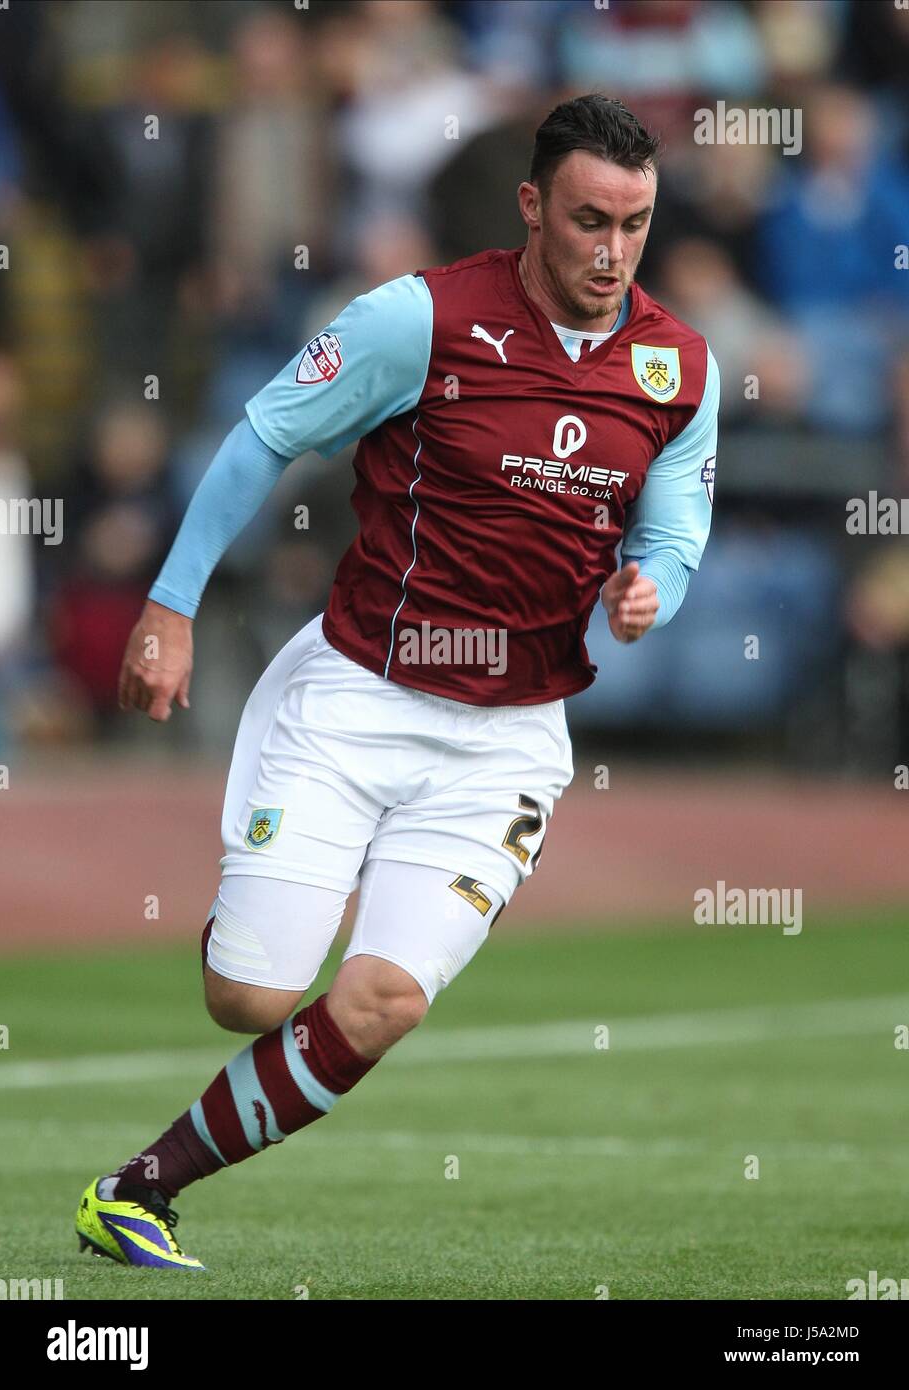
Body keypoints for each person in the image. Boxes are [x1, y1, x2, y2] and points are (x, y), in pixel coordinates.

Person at [75, 94, 719, 1270]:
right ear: (533, 207)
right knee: (250, 999)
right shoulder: (417, 319)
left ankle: (138, 1192)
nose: (612, 252)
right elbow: (264, 435)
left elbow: (675, 536)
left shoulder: (678, 365)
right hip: (359, 695)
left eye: (635, 225)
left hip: (510, 738)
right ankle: (265, 900)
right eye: (589, 221)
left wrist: (653, 592)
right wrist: (169, 605)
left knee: (382, 1001)